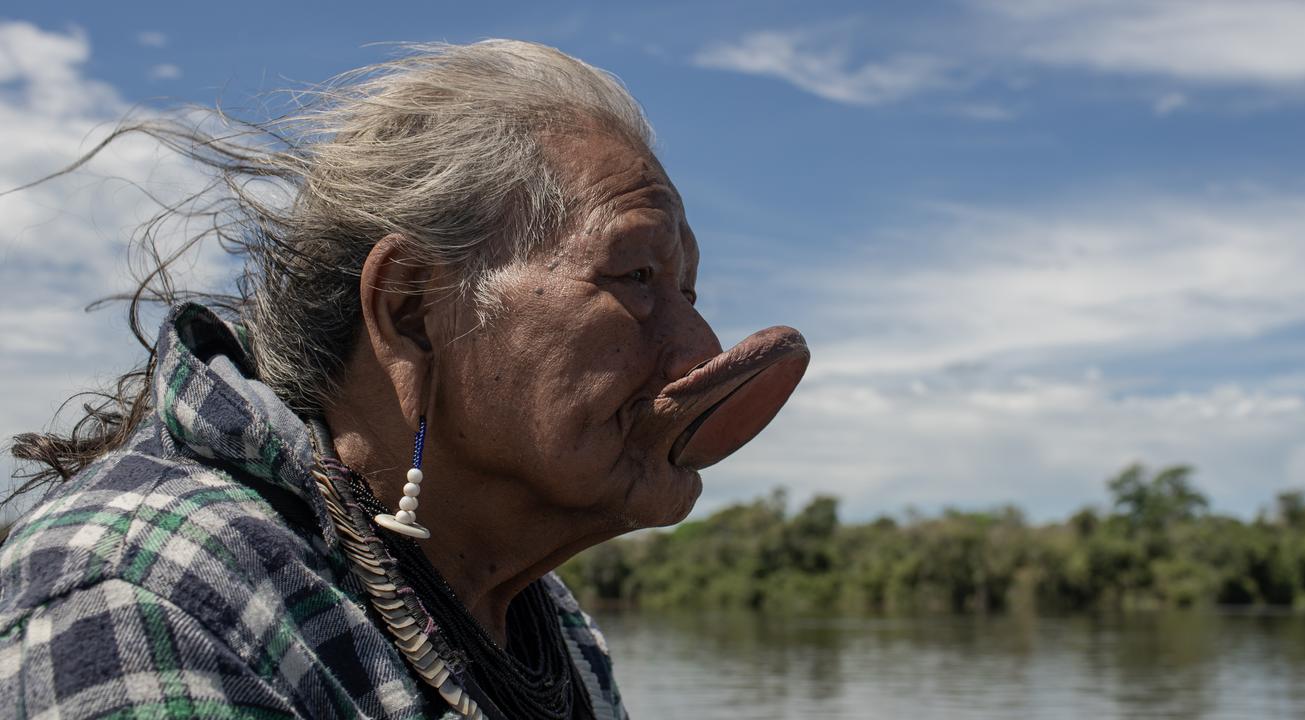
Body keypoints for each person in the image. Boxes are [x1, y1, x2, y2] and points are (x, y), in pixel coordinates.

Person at [0, 40, 808, 719]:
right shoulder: (150, 597)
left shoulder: (544, 621)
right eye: (636, 274)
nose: (699, 348)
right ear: (414, 310)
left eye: (689, 293)